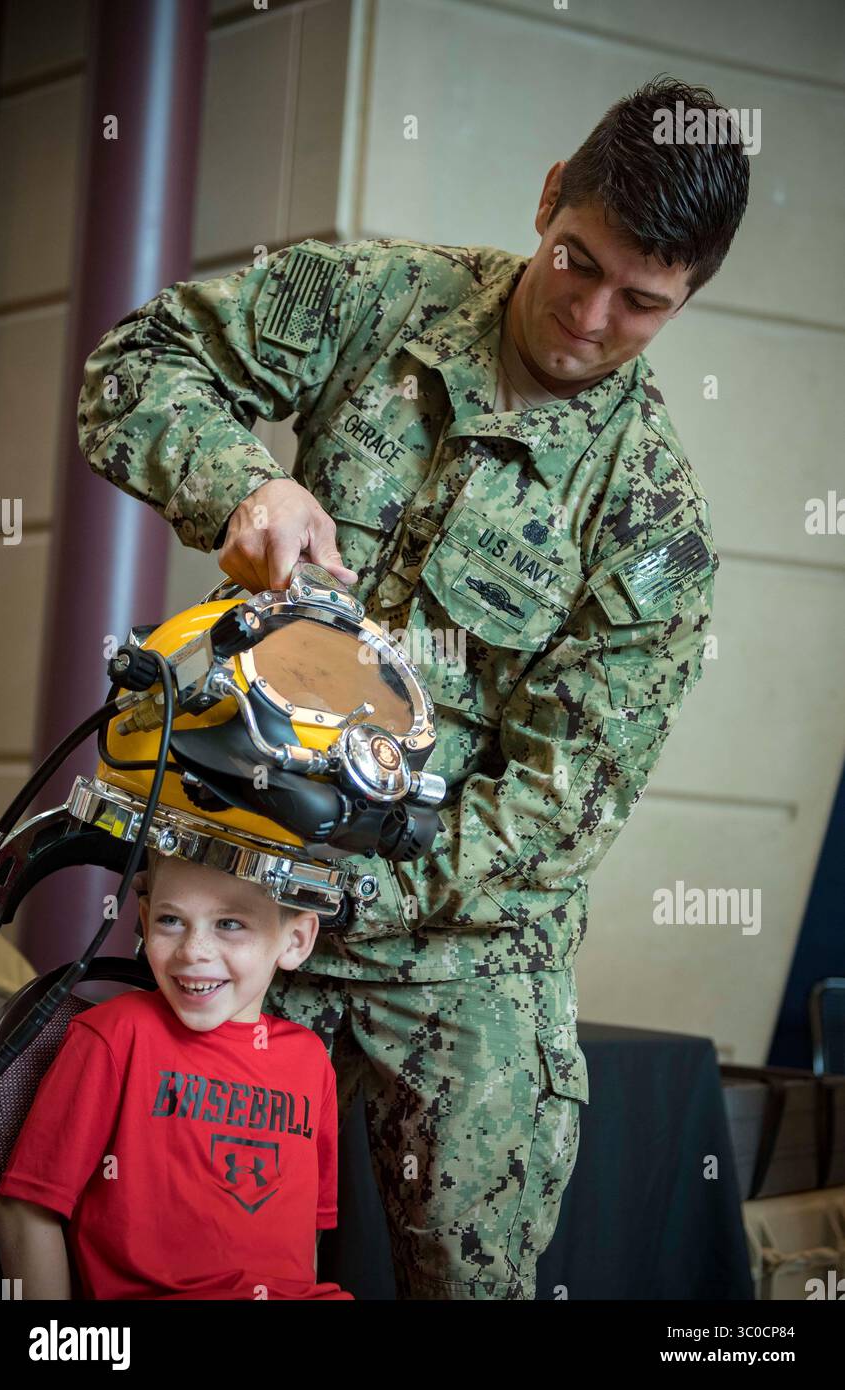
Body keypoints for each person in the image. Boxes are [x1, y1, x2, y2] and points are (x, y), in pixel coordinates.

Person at [75, 76, 751, 1299]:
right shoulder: (377, 296)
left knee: (471, 1281)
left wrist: (331, 897)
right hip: (244, 884)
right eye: (574, 259)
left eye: (642, 303)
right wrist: (243, 482)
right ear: (551, 194)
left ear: (687, 294)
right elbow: (135, 363)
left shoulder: (656, 531)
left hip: (453, 948)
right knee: (153, 1244)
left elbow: (553, 812)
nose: (588, 317)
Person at [0, 848, 354, 1301]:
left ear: (296, 940)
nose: (192, 951)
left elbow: (305, 1240)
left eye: (229, 924)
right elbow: (25, 1209)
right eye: (170, 921)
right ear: (143, 920)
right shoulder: (115, 1036)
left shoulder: (309, 1060)